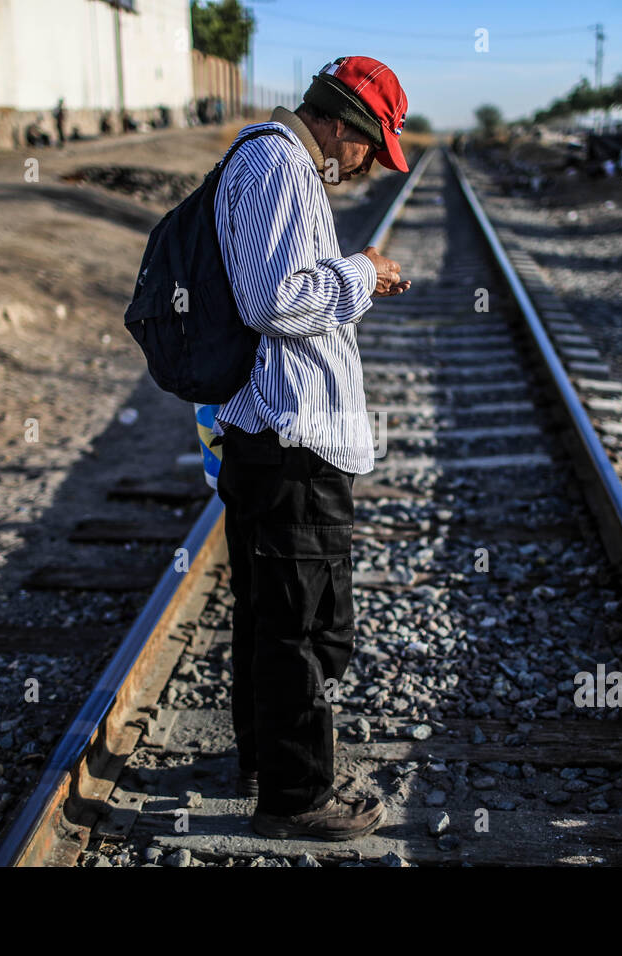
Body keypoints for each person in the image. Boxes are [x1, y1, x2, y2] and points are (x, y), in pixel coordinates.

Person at [208, 55, 411, 841]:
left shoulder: (276, 162)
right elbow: (274, 300)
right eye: (371, 146)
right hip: (293, 437)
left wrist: (354, 276)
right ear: (342, 123)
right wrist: (358, 271)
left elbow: (282, 285)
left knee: (271, 615)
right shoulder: (279, 162)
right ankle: (296, 798)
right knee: (310, 625)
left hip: (281, 433)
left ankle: (266, 762)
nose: (366, 164)